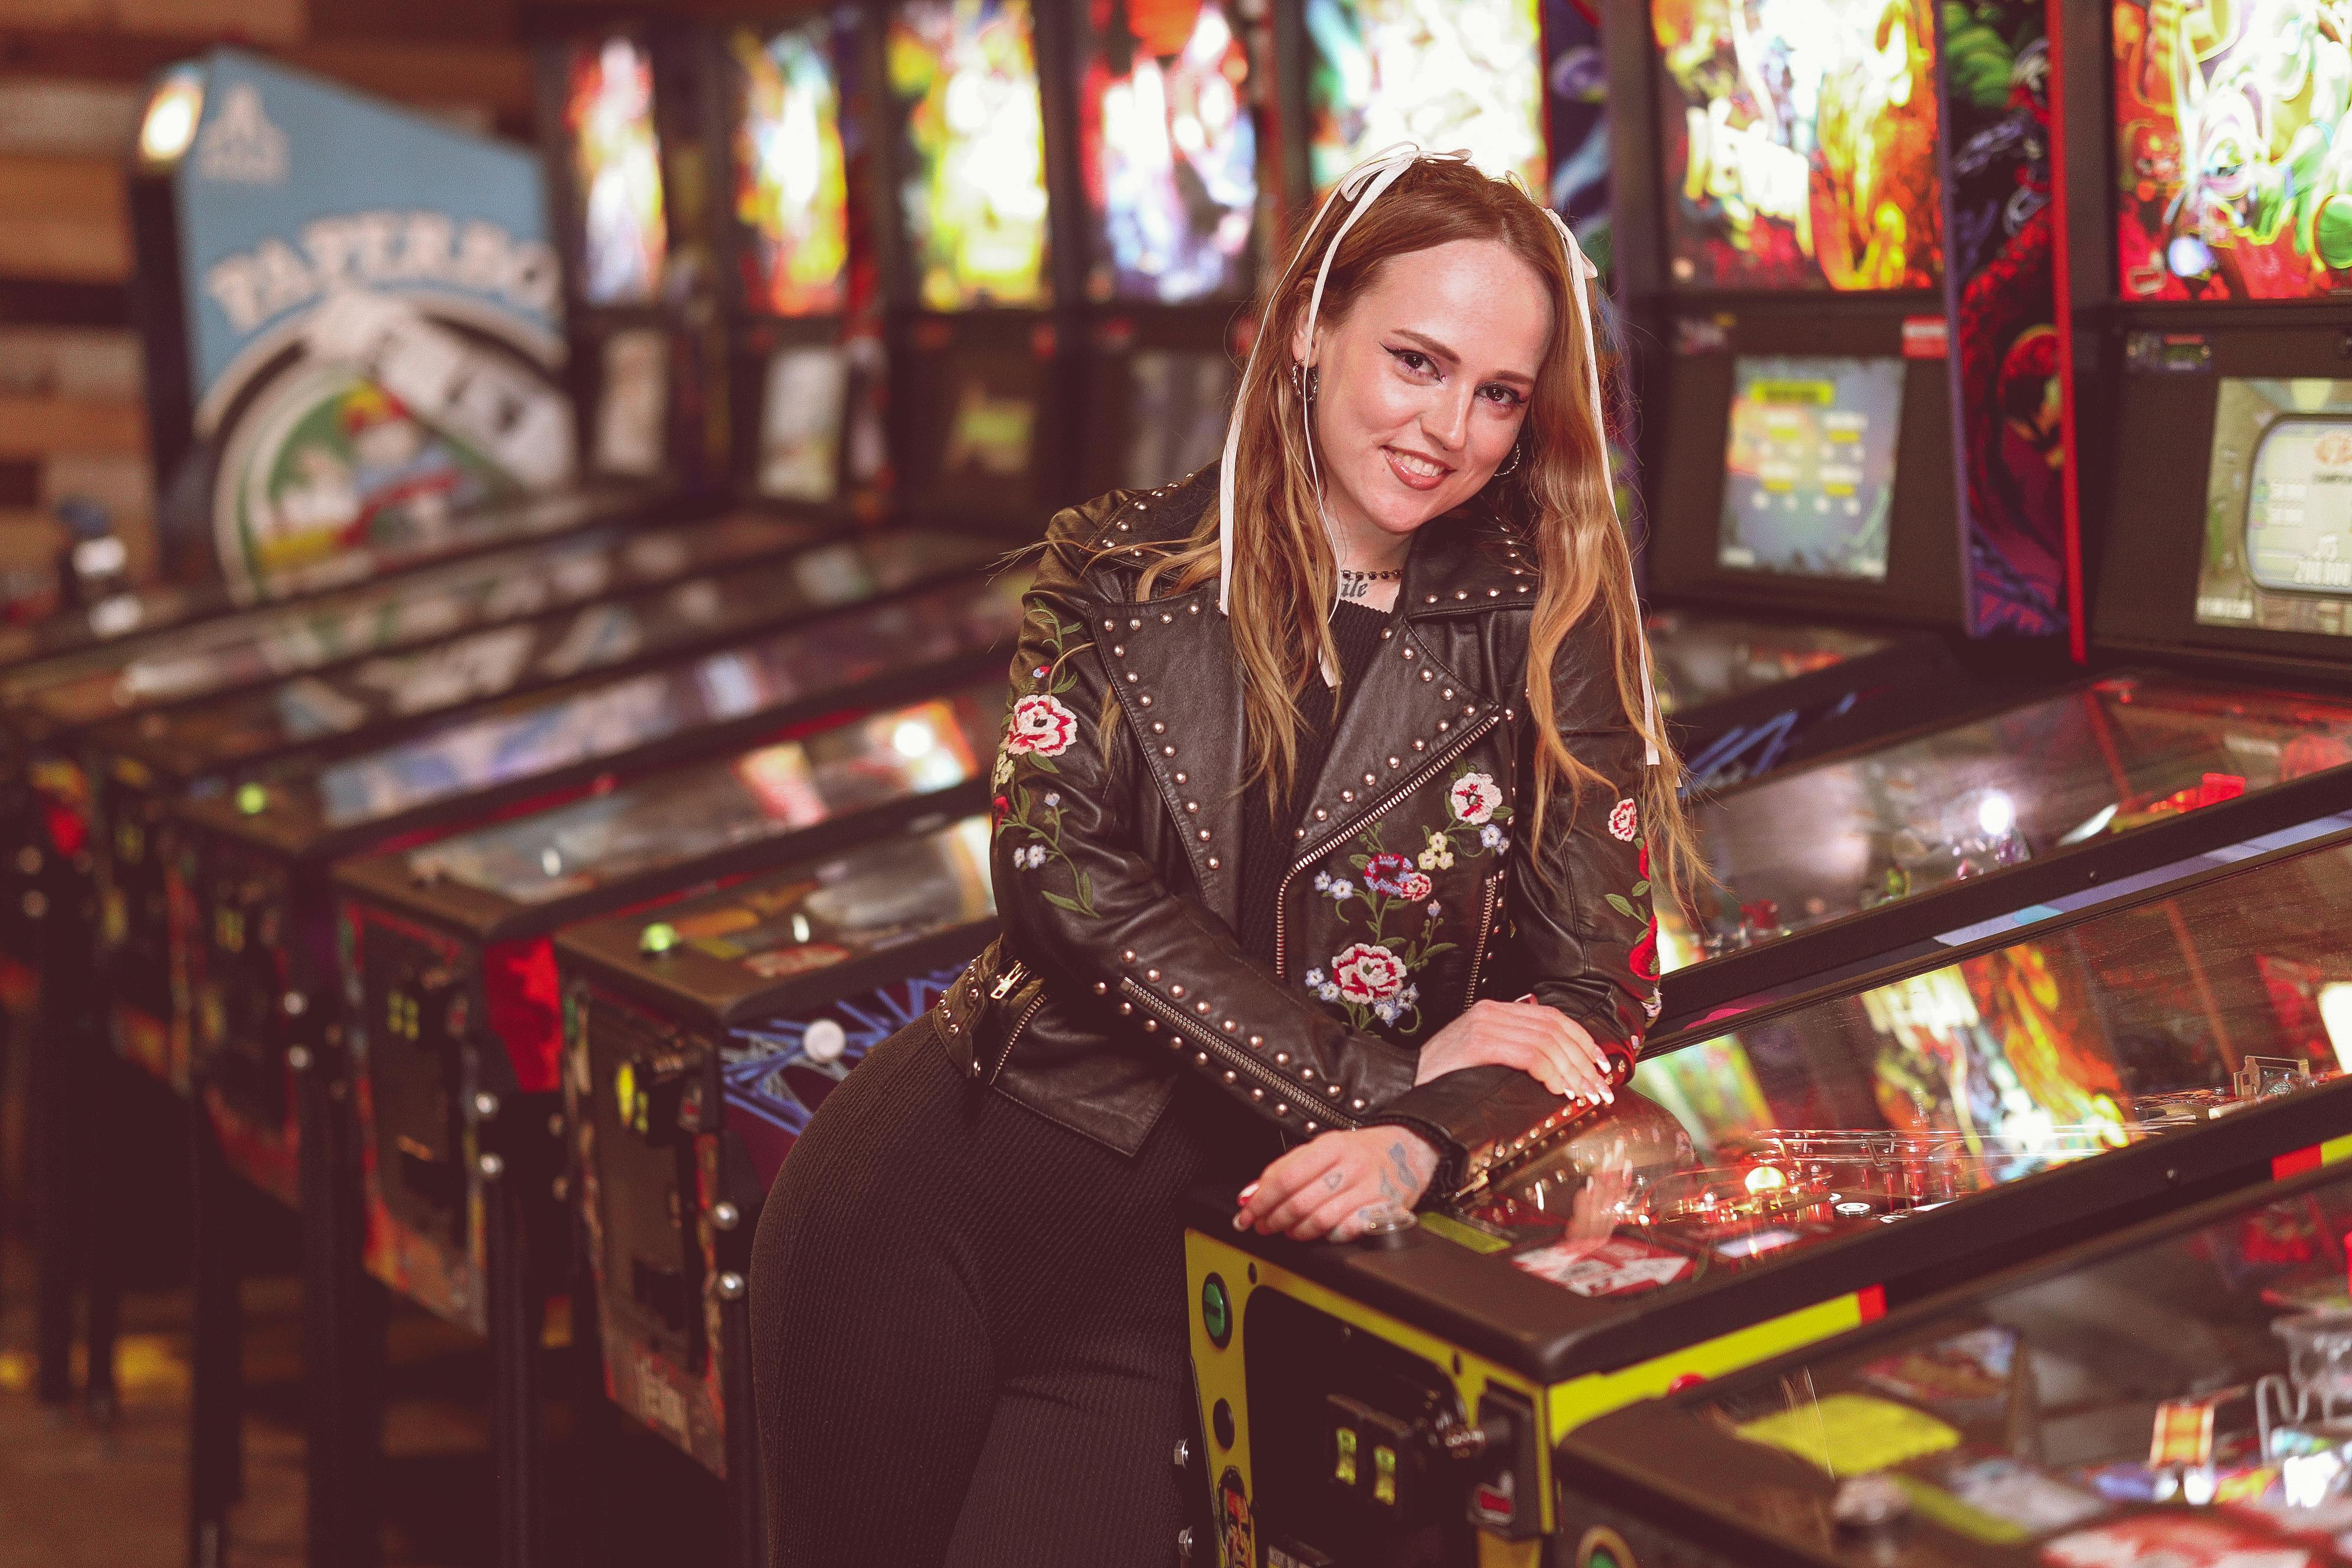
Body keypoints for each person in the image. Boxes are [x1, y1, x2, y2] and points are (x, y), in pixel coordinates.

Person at [748, 148, 1698, 1567]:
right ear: (1310, 326)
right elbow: (1059, 879)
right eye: (1417, 361)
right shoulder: (1116, 563)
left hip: (1193, 1271)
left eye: (1500, 393)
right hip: (931, 1203)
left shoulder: (1548, 616)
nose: (1449, 427)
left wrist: (1422, 1141)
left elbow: (1597, 994)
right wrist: (1378, 1078)